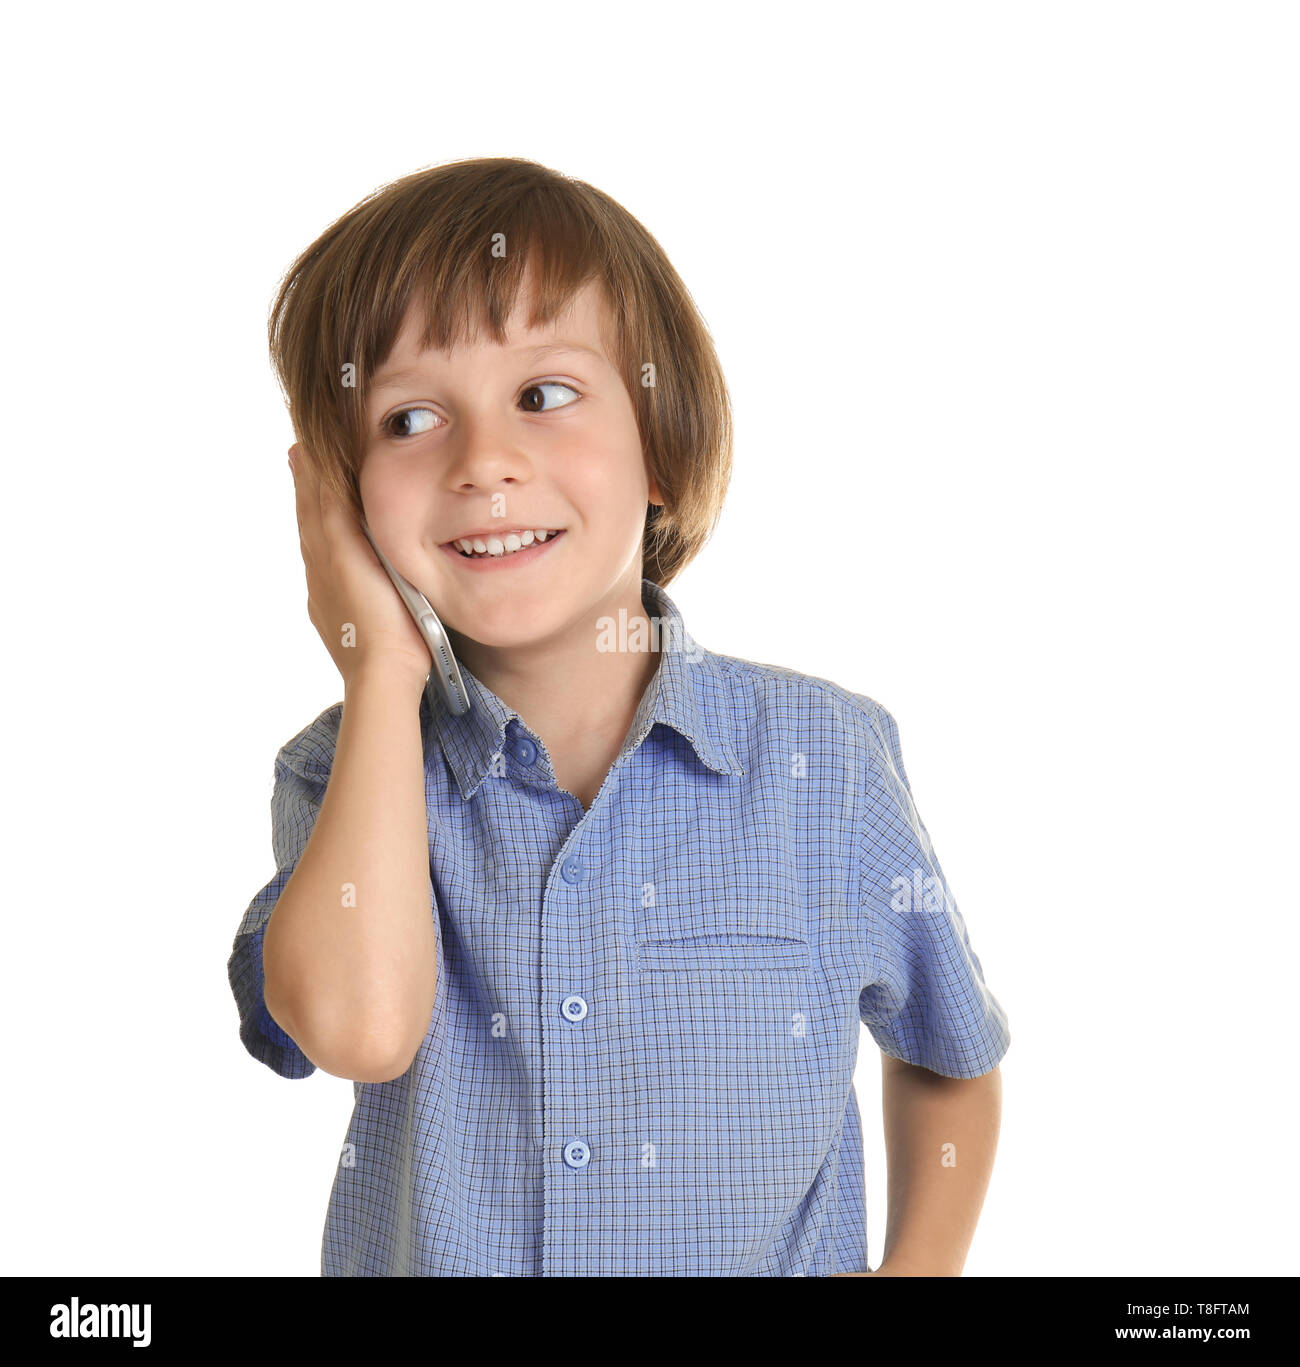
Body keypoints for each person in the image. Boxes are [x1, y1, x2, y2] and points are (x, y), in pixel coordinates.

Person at [228, 156, 1011, 1276]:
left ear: (661, 439)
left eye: (543, 396)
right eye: (407, 417)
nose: (484, 461)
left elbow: (950, 1052)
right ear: (339, 502)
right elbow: (358, 1027)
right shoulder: (344, 767)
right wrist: (377, 673)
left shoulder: (823, 760)